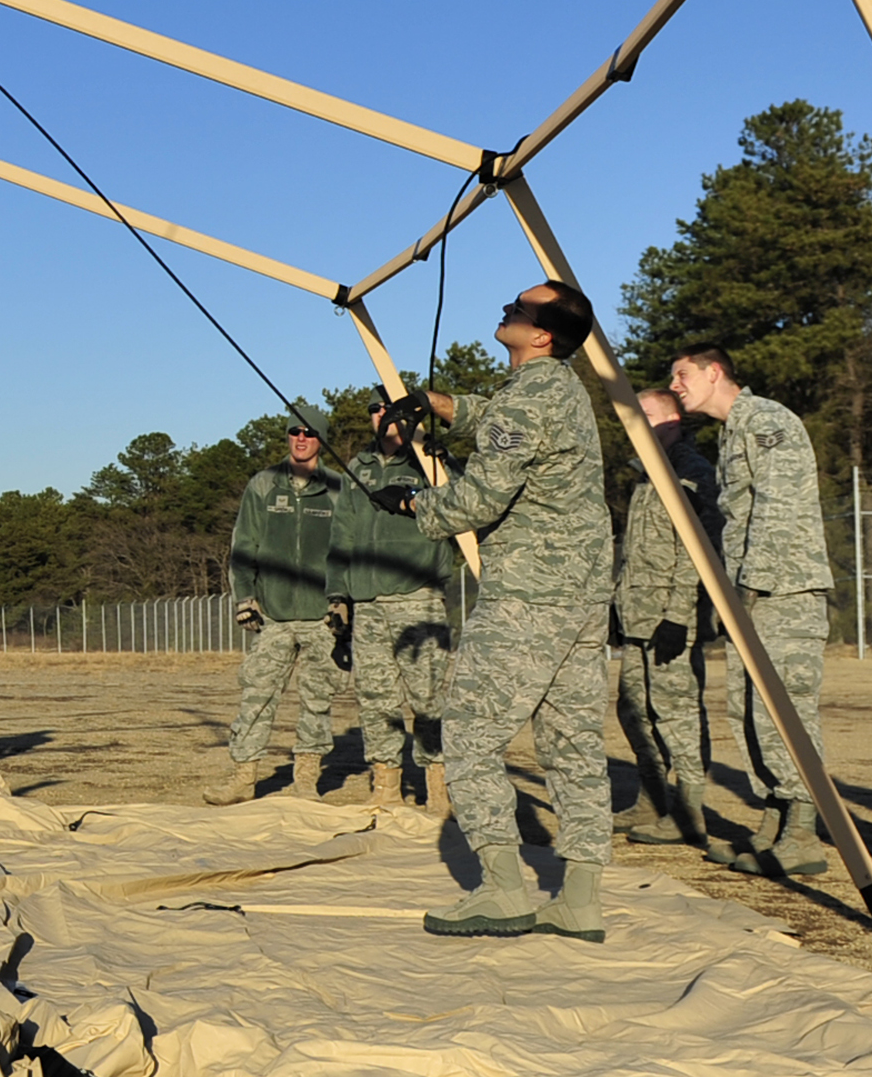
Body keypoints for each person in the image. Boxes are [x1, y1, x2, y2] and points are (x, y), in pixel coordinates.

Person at [373, 283, 618, 941]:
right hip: (582, 593)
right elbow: (496, 419)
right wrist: (437, 404)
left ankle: (505, 890)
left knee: (471, 732)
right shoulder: (554, 390)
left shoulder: (533, 397)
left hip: (530, 596)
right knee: (571, 743)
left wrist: (411, 506)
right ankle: (581, 900)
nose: (507, 309)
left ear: (541, 334)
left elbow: (476, 500)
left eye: (520, 308)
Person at [667, 347, 842, 879]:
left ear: (714, 373)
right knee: (750, 712)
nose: (675, 386)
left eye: (682, 375)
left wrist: (750, 586)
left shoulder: (766, 420)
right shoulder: (733, 431)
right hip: (753, 593)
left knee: (783, 711)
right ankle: (777, 816)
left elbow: (779, 505)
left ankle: (803, 831)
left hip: (782, 592)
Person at [209, 414, 345, 803]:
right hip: (274, 615)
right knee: (256, 695)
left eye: (310, 433)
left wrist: (342, 601)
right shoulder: (263, 484)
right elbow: (243, 545)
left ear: (321, 439)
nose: (301, 439)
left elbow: (350, 549)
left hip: (322, 617)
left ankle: (306, 780)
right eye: (295, 432)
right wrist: (245, 598)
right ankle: (243, 777)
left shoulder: (340, 487)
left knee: (317, 700)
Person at [331, 407, 459, 810]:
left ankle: (438, 785)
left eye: (390, 407)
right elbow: (342, 531)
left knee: (427, 698)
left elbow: (467, 499)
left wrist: (445, 465)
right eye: (374, 410)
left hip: (416, 595)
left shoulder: (429, 461)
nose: (382, 416)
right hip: (368, 600)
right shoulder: (358, 467)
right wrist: (338, 594)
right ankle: (386, 785)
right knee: (375, 697)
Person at [609, 385, 719, 853]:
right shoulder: (646, 476)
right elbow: (637, 553)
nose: (639, 427)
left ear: (673, 422)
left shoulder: (692, 474)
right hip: (637, 616)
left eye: (648, 417)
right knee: (634, 712)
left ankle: (689, 811)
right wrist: (618, 606)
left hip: (669, 621)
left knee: (676, 714)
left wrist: (677, 616)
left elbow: (696, 552)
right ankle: (652, 799)